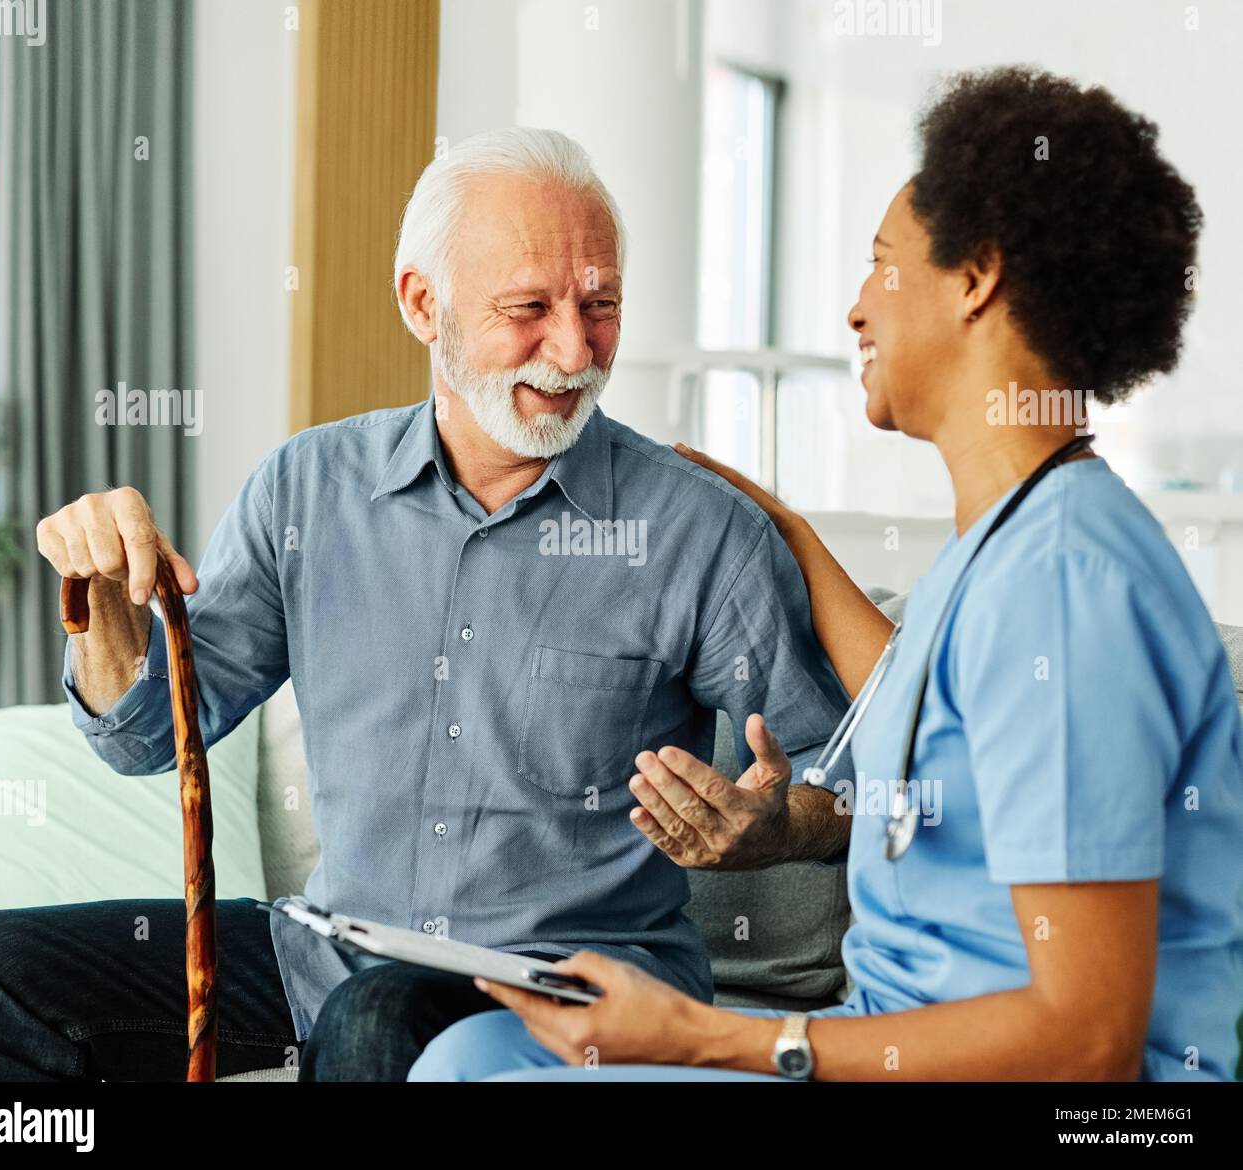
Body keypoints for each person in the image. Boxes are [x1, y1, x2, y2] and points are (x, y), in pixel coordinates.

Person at [0, 129, 854, 1082]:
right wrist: (102, 594)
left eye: (601, 305)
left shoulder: (699, 530)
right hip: (324, 957)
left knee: (377, 1019)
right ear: (425, 304)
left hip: (567, 987)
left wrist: (781, 826)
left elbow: (853, 782)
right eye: (530, 308)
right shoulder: (306, 489)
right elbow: (142, 738)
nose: (576, 348)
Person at [409, 67, 1243, 1083]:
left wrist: (704, 1034)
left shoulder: (1066, 582)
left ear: (975, 275)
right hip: (894, 1034)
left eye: (881, 265)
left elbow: (1086, 1040)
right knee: (475, 1048)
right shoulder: (1012, 541)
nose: (855, 310)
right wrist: (789, 533)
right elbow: (935, 711)